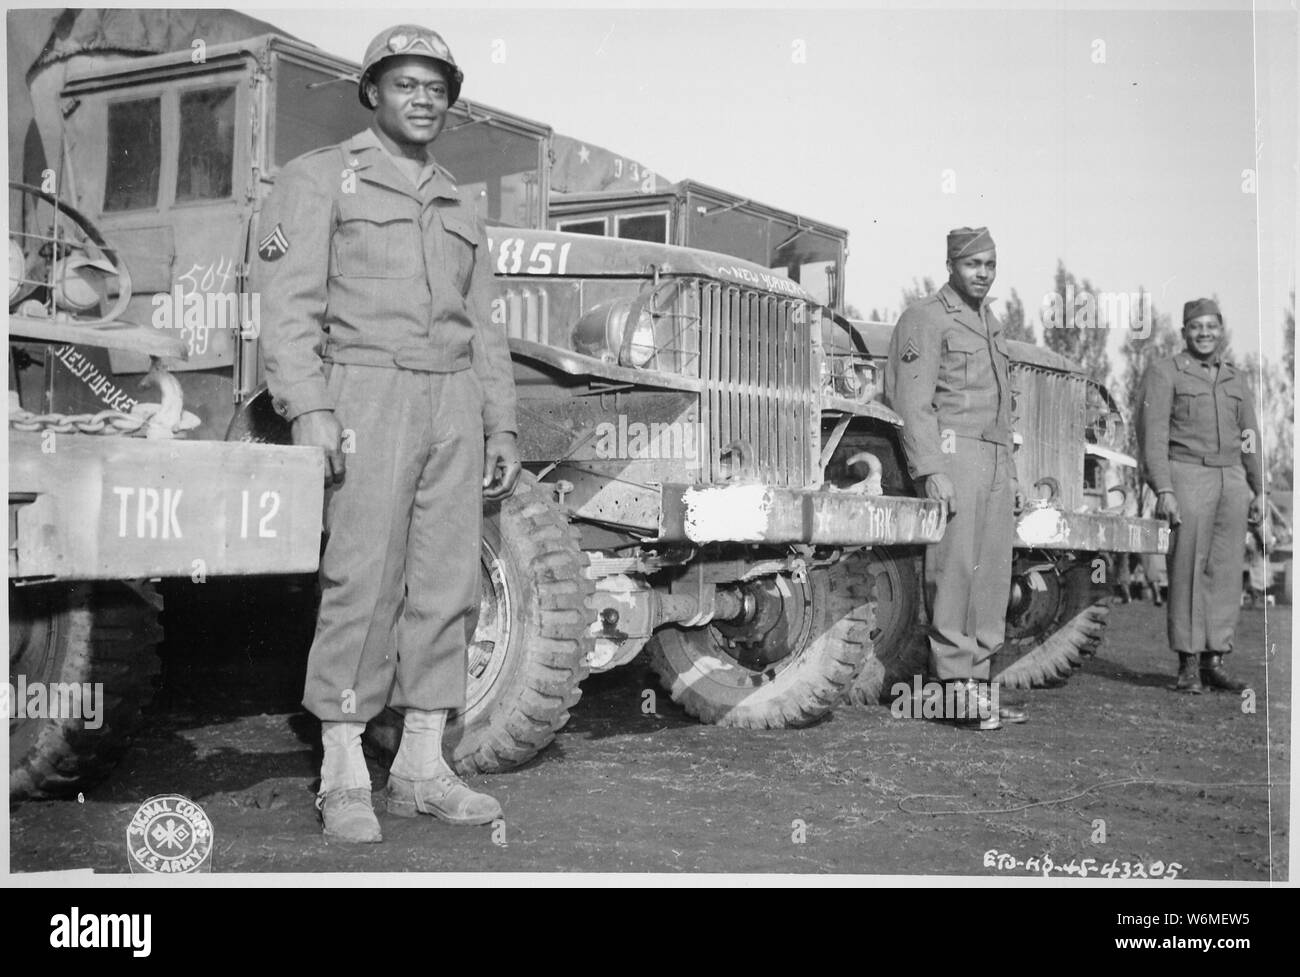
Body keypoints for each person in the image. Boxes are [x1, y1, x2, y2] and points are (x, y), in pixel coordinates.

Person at [253, 24, 521, 842]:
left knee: (447, 585)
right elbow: (289, 305)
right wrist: (309, 406)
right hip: (365, 391)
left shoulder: (458, 198)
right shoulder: (320, 177)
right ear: (372, 91)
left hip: (452, 402)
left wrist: (500, 422)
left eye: (437, 87)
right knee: (361, 580)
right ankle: (341, 769)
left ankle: (420, 767)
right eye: (406, 84)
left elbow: (484, 327)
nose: (424, 98)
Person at [885, 226, 1026, 730]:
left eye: (990, 265)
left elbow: (1005, 409)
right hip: (954, 454)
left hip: (994, 461)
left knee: (991, 579)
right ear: (951, 265)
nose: (983, 274)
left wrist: (1011, 472)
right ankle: (949, 693)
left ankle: (980, 691)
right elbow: (912, 402)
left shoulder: (990, 324)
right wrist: (931, 470)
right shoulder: (925, 318)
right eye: (973, 265)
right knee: (953, 573)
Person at [1138, 298, 1262, 694]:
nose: (1204, 333)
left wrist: (1259, 489)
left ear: (1221, 329)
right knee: (1188, 569)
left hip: (1232, 479)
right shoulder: (1165, 372)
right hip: (1187, 473)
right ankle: (1188, 663)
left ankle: (1215, 660)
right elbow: (1153, 437)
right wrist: (1165, 489)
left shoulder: (1235, 378)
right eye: (1196, 327)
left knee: (1226, 573)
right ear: (1184, 332)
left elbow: (1249, 437)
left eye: (1211, 326)